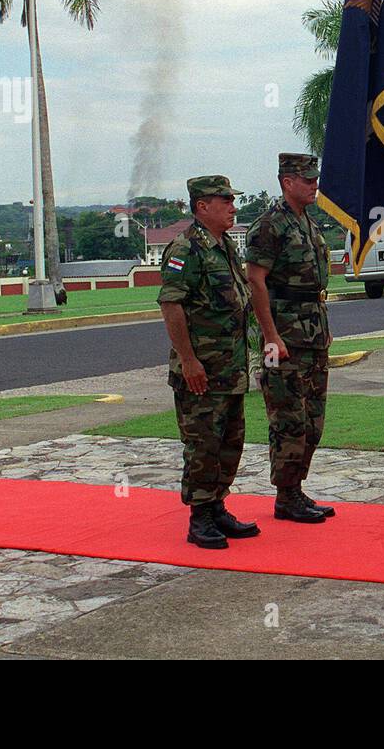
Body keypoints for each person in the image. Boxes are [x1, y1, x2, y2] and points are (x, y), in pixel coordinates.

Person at [158, 175, 261, 550]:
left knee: (230, 441)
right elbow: (172, 305)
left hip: (230, 368)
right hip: (201, 370)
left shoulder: (225, 247)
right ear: (203, 206)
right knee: (202, 444)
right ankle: (199, 517)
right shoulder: (186, 249)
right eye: (226, 200)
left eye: (233, 200)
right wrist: (188, 360)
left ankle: (217, 506)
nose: (233, 206)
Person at [246, 153, 333, 524]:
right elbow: (256, 281)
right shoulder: (270, 226)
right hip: (283, 337)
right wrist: (270, 336)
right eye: (308, 179)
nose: (315, 184)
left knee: (312, 420)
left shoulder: (307, 224)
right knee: (288, 419)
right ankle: (285, 495)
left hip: (313, 334)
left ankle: (296, 489)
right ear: (287, 182)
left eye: (315, 178)